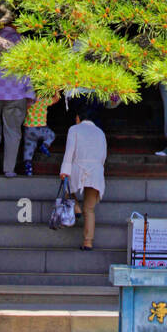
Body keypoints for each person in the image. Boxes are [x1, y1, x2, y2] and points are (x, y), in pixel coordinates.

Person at [0, 23, 32, 178]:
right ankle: (9, 169)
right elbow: (31, 68)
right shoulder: (23, 41)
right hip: (16, 93)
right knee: (13, 131)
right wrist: (30, 93)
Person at [60, 101, 107, 250]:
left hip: (78, 167)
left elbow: (69, 152)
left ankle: (76, 208)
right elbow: (103, 156)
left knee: (68, 191)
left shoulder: (74, 129)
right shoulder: (100, 132)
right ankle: (88, 242)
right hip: (96, 171)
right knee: (90, 209)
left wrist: (64, 171)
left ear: (79, 117)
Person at [22, 90, 56, 177]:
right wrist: (56, 90)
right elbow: (56, 99)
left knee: (29, 147)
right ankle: (45, 145)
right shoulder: (44, 100)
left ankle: (28, 167)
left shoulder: (27, 100)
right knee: (51, 135)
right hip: (41, 127)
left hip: (29, 129)